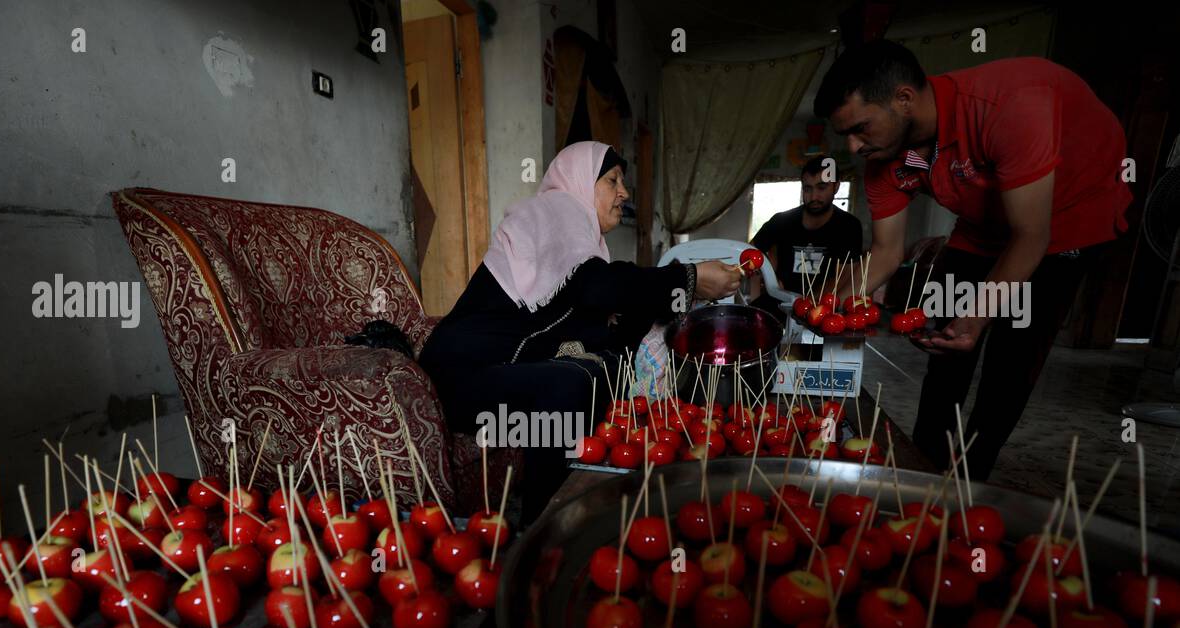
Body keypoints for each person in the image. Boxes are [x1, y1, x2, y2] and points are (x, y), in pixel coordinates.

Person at [814, 40, 1132, 479]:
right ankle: (924, 468)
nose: (853, 147)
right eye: (845, 134)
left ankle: (971, 475)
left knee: (1011, 357)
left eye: (861, 129)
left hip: (1062, 221)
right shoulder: (885, 158)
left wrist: (979, 315)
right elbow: (885, 253)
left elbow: (1030, 236)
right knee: (943, 344)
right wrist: (822, 308)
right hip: (984, 222)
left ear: (904, 99)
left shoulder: (1009, 104)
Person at [419, 141, 740, 521]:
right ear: (579, 181)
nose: (624, 192)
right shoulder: (555, 211)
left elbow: (609, 318)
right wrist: (690, 277)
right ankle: (544, 529)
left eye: (623, 181)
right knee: (567, 384)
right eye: (611, 180)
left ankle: (599, 504)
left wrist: (679, 302)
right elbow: (600, 287)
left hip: (502, 375)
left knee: (601, 370)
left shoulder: (583, 243)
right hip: (458, 381)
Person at [749, 155, 864, 295]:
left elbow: (846, 276)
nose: (813, 197)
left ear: (836, 186)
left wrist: (809, 303)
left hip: (824, 308)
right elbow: (749, 251)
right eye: (808, 189)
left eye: (821, 188)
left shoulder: (848, 226)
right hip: (779, 302)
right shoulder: (781, 221)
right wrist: (768, 277)